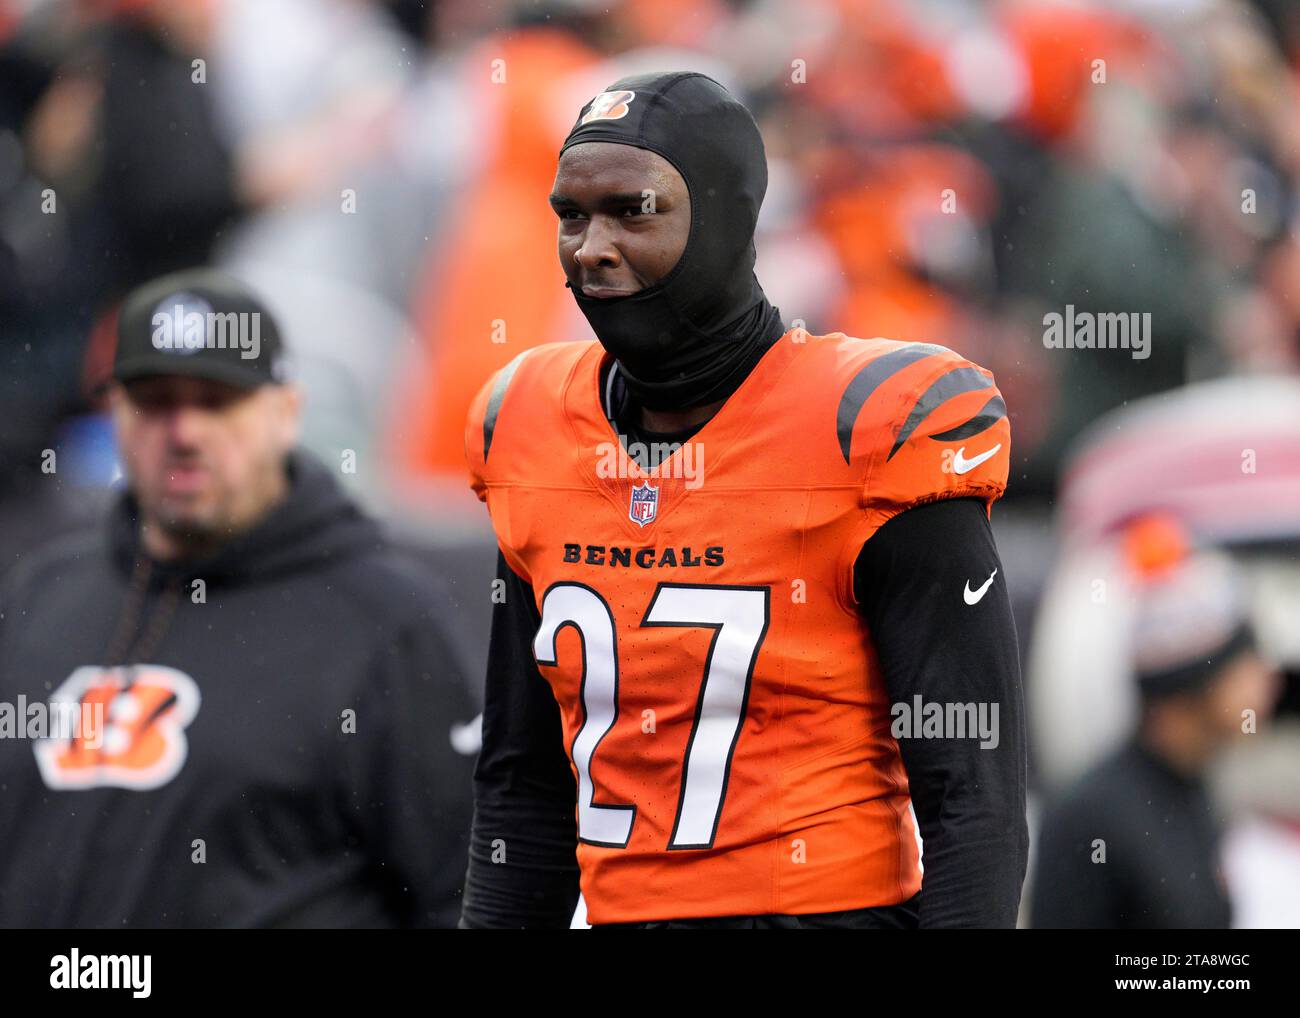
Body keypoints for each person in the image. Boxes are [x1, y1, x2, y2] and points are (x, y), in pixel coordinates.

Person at [459, 72, 1027, 929]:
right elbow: (523, 787)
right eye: (571, 215)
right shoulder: (530, 425)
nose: (592, 247)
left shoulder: (867, 426)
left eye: (633, 209)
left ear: (725, 217)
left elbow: (972, 801)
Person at [0, 269, 478, 928]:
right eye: (154, 400)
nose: (184, 431)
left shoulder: (386, 621)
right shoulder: (41, 595)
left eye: (216, 401)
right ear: (113, 413)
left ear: (286, 413)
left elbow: (466, 891)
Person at [1030, 517, 1282, 929]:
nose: (1267, 677)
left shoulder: (1195, 788)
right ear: (1188, 688)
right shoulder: (1088, 820)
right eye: (1244, 662)